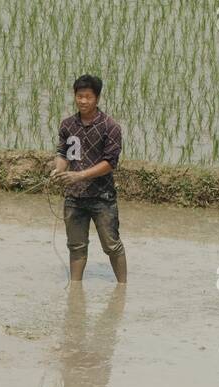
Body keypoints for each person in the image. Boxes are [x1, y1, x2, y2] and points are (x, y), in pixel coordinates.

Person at [51, 74, 127, 283]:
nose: (83, 101)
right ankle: (75, 288)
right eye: (79, 96)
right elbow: (63, 153)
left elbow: (110, 162)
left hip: (102, 197)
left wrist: (80, 175)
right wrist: (58, 170)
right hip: (74, 197)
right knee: (76, 246)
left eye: (88, 97)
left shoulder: (110, 127)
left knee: (111, 245)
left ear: (97, 98)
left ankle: (122, 287)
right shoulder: (67, 125)